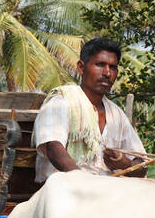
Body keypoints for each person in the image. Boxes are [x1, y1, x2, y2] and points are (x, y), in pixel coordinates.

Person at [33, 37, 147, 182]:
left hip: (104, 195)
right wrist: (85, 183)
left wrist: (125, 163)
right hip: (62, 192)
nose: (107, 73)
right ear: (81, 67)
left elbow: (142, 165)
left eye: (113, 67)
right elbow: (53, 147)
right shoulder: (62, 101)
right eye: (100, 65)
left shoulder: (117, 114)